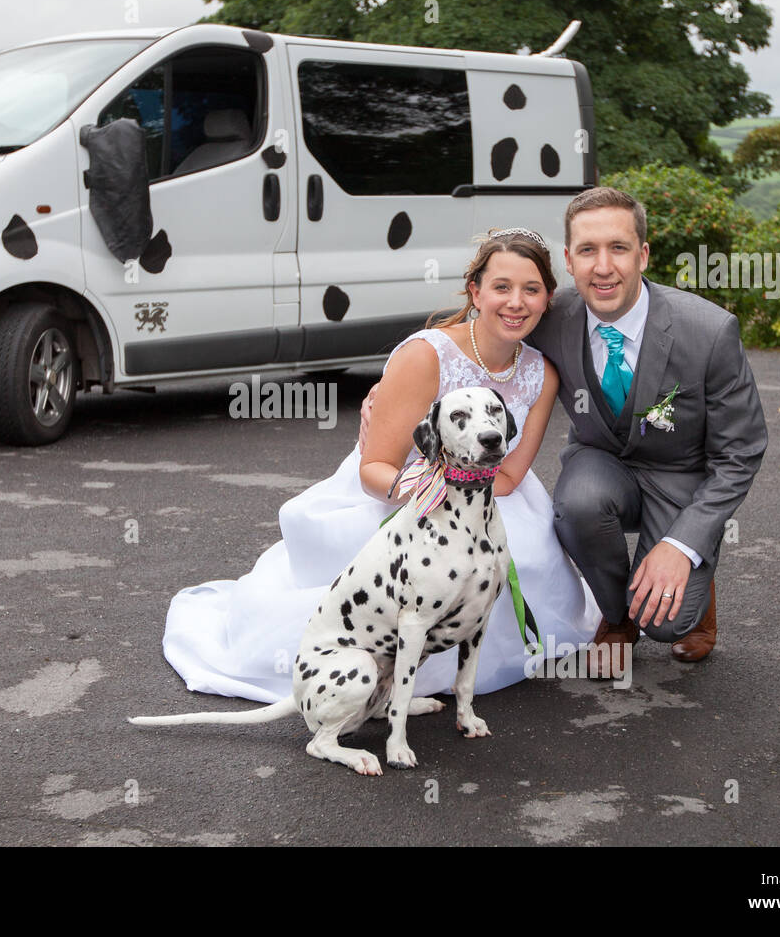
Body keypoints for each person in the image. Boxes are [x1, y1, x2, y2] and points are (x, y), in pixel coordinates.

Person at [160, 229, 601, 704]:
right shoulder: (426, 355)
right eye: (501, 287)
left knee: (527, 551)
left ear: (547, 297)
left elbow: (511, 476)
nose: (516, 302)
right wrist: (433, 497)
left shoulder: (540, 371)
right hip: (400, 488)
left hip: (492, 492)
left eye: (531, 290)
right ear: (475, 291)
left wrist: (466, 502)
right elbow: (376, 467)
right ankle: (363, 675)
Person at [365, 187, 768, 671]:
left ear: (643, 254)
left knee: (669, 621)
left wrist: (681, 547)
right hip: (600, 466)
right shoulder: (546, 314)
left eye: (618, 248)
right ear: (569, 260)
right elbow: (482, 334)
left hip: (680, 474)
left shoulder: (709, 331)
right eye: (587, 251)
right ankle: (617, 618)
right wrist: (388, 391)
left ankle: (690, 572)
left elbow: (740, 455)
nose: (603, 266)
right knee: (576, 507)